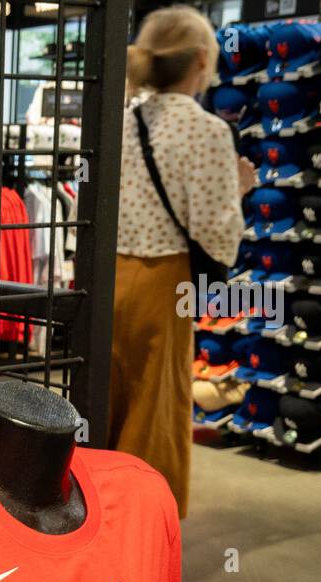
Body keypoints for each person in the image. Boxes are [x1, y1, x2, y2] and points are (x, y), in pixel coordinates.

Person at [110, 6, 255, 519]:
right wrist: (239, 189)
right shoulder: (208, 131)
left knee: (107, 395)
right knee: (155, 405)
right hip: (164, 281)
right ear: (200, 60)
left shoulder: (121, 121)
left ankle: (93, 511)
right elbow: (216, 230)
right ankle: (142, 521)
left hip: (109, 276)